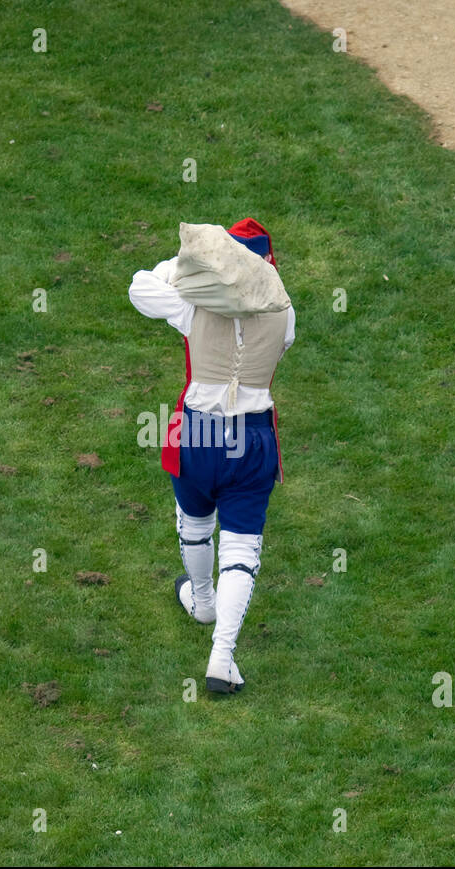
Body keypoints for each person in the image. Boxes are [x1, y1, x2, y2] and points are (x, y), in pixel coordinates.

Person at [128, 219, 295, 694]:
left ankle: (201, 601)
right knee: (241, 547)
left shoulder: (189, 305)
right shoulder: (288, 313)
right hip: (254, 438)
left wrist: (185, 267)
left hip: (197, 434)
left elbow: (140, 287)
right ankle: (222, 656)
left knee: (195, 521)